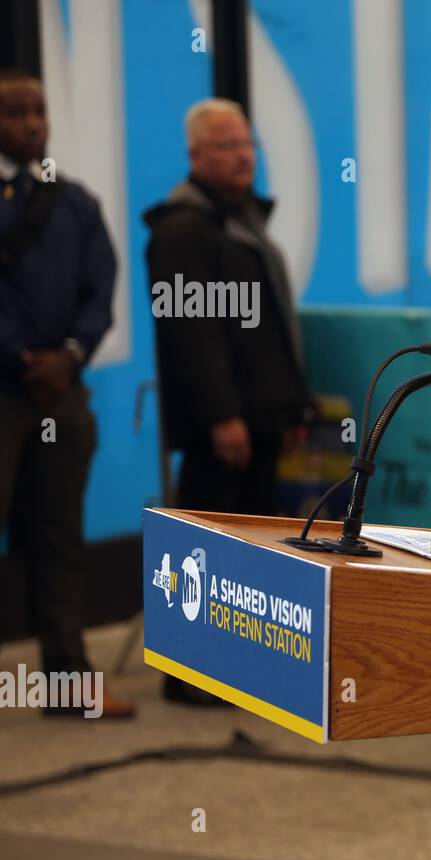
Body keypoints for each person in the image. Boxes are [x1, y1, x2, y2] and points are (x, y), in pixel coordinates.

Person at [143, 98, 311, 705]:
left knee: (250, 555)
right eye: (225, 146)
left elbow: (269, 328)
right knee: (200, 550)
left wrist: (289, 408)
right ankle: (187, 675)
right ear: (194, 156)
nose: (242, 156)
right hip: (225, 423)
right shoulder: (183, 231)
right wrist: (223, 416)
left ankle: (234, 667)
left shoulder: (242, 221)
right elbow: (193, 336)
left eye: (247, 144)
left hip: (260, 415)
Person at [0, 69, 134, 718]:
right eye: (15, 112)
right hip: (6, 390)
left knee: (60, 538)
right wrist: (23, 356)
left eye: (39, 111)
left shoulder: (74, 202)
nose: (31, 123)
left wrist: (70, 355)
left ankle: (67, 679)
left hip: (64, 394)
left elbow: (99, 288)